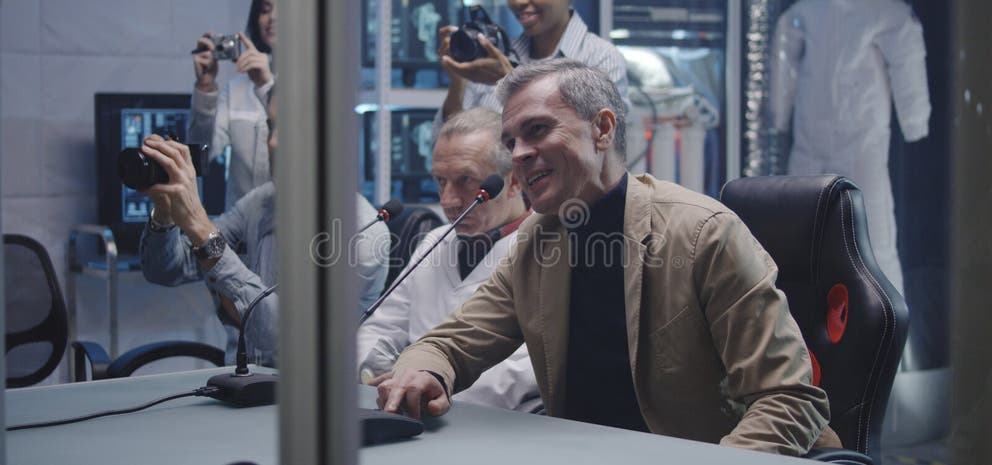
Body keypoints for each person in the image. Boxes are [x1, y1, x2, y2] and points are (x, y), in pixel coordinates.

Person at [375, 60, 841, 456]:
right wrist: (424, 370)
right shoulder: (540, 240)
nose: (518, 154)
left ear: (602, 129)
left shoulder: (703, 233)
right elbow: (451, 342)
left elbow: (789, 399)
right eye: (511, 141)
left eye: (537, 130)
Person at [140, 93, 389, 367]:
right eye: (271, 127)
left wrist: (199, 225)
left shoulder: (362, 234)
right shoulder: (260, 202)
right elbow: (165, 270)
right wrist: (164, 212)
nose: (273, 142)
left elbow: (287, 340)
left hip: (303, 389)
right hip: (239, 380)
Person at [358, 108, 539, 412]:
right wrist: (377, 376)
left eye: (466, 181)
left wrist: (427, 385)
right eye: (441, 181)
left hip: (497, 423)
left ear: (514, 182)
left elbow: (530, 371)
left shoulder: (545, 251)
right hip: (408, 412)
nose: (447, 200)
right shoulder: (434, 241)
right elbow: (381, 330)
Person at [770, 0, 931, 296]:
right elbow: (785, 49)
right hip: (820, 142)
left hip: (857, 143)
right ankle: (798, 313)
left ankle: (887, 320)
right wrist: (915, 121)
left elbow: (907, 51)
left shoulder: (878, 12)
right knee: (807, 237)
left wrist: (915, 120)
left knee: (873, 241)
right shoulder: (811, 11)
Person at [433, 0, 629, 134]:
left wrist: (511, 80)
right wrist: (458, 81)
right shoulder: (497, 56)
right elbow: (446, 148)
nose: (517, 3)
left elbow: (595, 144)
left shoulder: (600, 59)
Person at [190, 0, 277, 207]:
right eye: (265, 10)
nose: (273, 17)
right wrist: (205, 88)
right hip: (238, 224)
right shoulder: (236, 90)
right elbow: (199, 159)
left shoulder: (315, 88)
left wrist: (265, 86)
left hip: (291, 220)